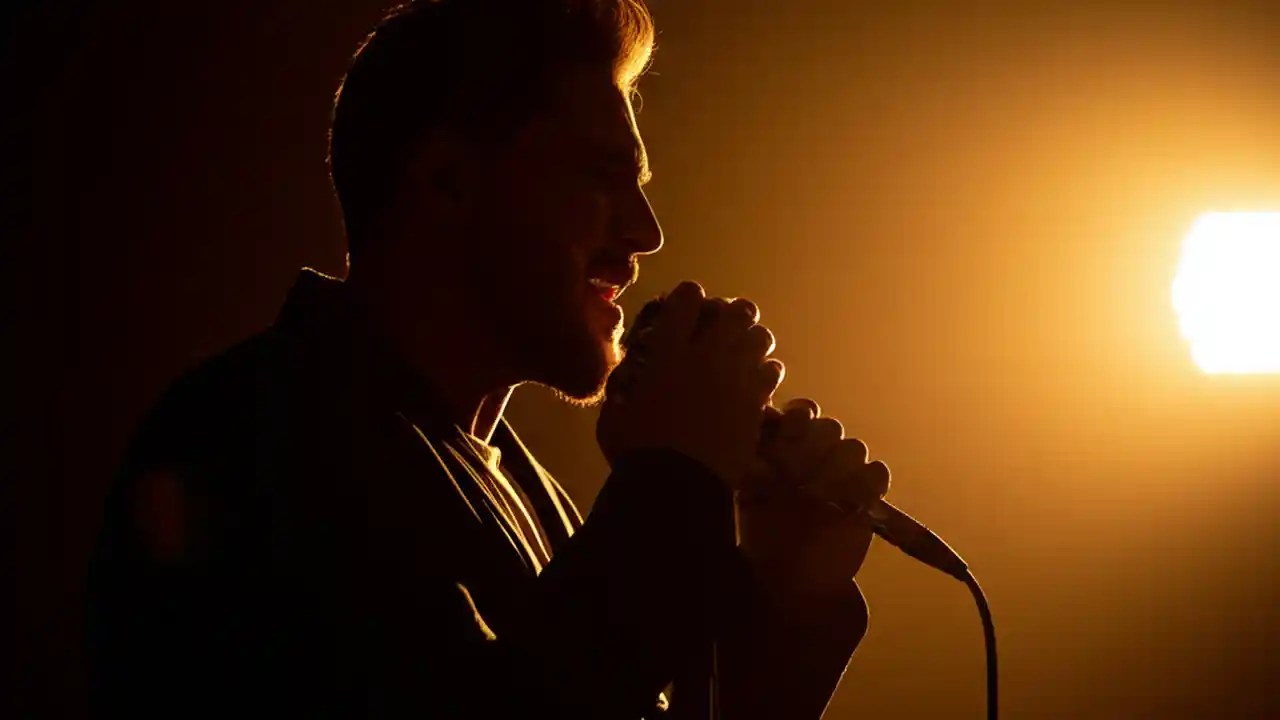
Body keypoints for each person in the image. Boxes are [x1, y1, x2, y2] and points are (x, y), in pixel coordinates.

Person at [85, 1, 892, 717]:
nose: (646, 233)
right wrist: (674, 477)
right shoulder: (253, 438)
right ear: (445, 182)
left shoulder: (528, 492)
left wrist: (781, 598)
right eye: (601, 176)